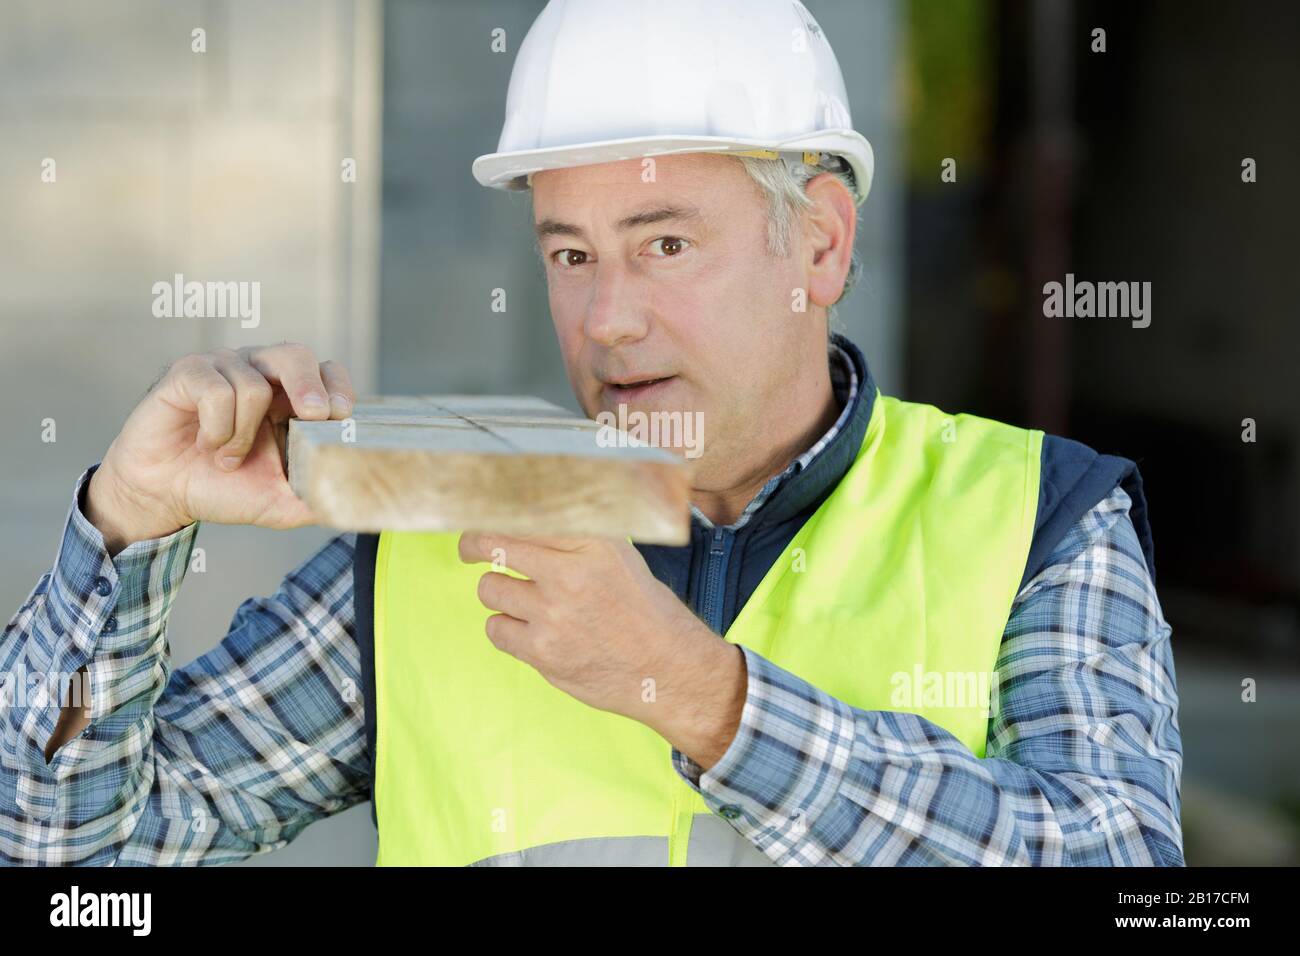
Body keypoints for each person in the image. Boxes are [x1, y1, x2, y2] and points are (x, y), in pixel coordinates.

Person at [0, 0, 1182, 866]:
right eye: (570, 253)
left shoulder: (1036, 515)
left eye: (665, 243)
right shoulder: (440, 536)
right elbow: (68, 863)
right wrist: (128, 526)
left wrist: (706, 698)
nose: (608, 318)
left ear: (818, 243)